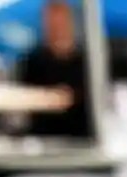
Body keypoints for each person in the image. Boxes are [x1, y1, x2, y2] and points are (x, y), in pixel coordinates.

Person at [20, 0, 93, 138]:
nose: (56, 28)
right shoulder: (33, 62)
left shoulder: (87, 63)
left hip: (81, 137)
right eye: (51, 23)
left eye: (60, 23)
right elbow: (27, 99)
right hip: (44, 138)